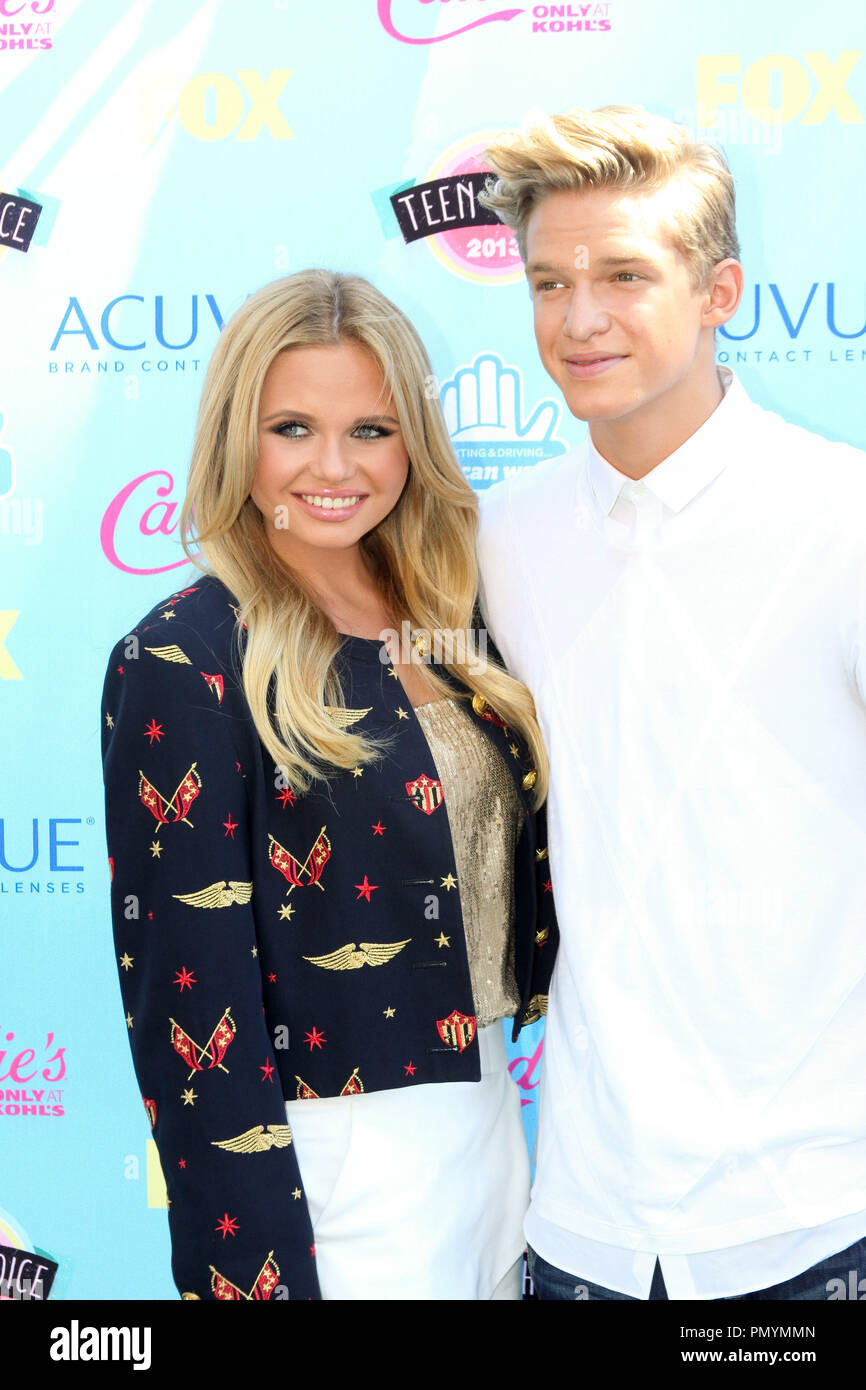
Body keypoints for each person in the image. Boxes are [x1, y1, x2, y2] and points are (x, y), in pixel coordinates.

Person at [101, 269, 557, 1302]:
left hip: (490, 1121)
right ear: (237, 439)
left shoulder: (448, 619)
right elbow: (189, 994)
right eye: (293, 427)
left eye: (371, 428)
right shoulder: (187, 655)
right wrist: (247, 1264)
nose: (334, 466)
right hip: (329, 1162)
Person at [476, 105, 866, 1301]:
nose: (577, 317)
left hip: (809, 1219)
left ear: (719, 292)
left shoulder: (841, 519)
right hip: (583, 1220)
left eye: (623, 275)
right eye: (548, 281)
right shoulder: (499, 538)